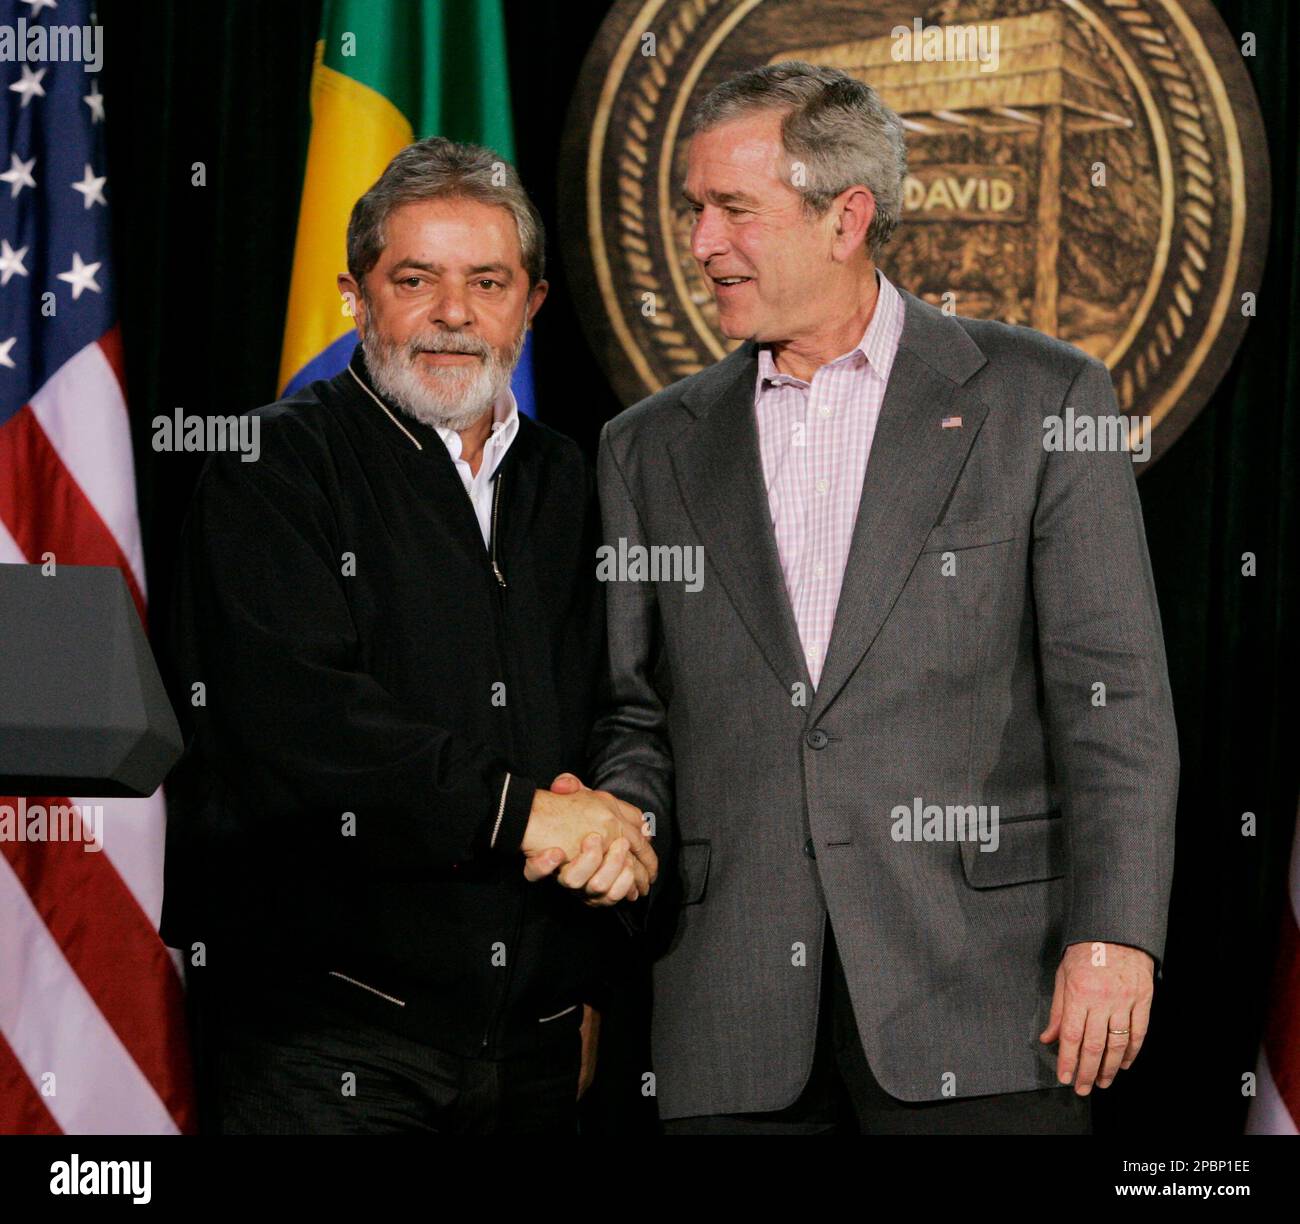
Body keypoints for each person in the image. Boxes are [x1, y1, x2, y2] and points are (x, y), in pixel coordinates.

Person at [556, 61, 1179, 1134]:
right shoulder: (644, 448)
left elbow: (1111, 701)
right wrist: (623, 821)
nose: (701, 244)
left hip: (988, 1005)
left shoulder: (1038, 398)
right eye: (694, 210)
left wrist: (1115, 935)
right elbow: (636, 712)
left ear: (845, 218)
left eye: (733, 210)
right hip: (730, 1020)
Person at [161, 137, 656, 1135]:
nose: (452, 314)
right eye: (414, 279)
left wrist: (604, 898)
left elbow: (626, 705)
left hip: (537, 1042)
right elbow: (299, 729)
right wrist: (522, 814)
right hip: (328, 1044)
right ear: (355, 295)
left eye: (487, 281)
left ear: (533, 303)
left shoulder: (578, 480)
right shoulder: (270, 467)